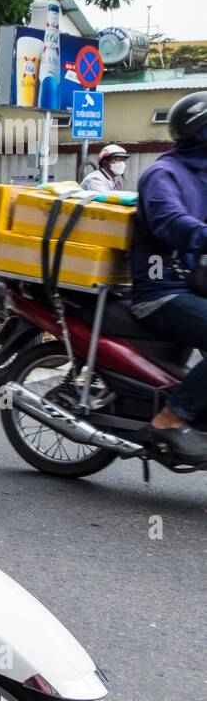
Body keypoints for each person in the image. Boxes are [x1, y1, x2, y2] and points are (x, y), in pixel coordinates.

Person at [130, 91, 207, 462]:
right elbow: (172, 224)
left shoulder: (201, 173)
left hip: (195, 285)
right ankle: (171, 419)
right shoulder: (164, 174)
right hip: (162, 290)